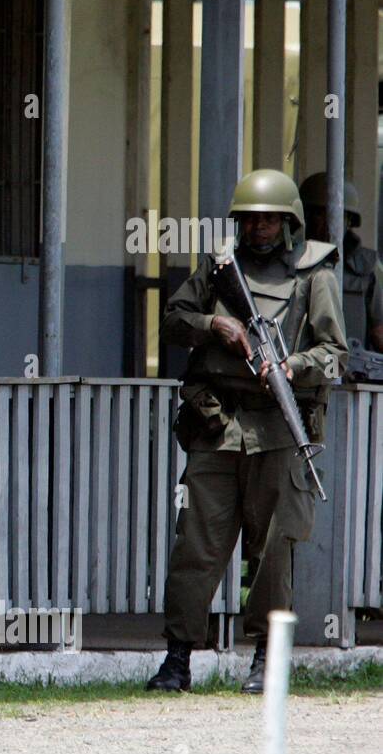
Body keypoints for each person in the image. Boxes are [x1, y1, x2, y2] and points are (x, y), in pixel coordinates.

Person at [147, 169, 347, 695]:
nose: (258, 228)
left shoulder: (313, 275)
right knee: (196, 546)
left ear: (289, 223)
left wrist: (292, 367)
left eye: (269, 220)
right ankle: (177, 660)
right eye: (250, 220)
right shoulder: (218, 271)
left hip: (279, 431)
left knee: (274, 553)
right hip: (216, 427)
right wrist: (216, 325)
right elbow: (171, 322)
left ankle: (264, 658)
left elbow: (335, 357)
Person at [298, 171, 383, 352]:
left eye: (337, 215)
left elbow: (379, 330)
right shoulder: (289, 261)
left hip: (349, 369)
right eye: (320, 214)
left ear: (349, 220)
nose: (330, 222)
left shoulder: (365, 267)